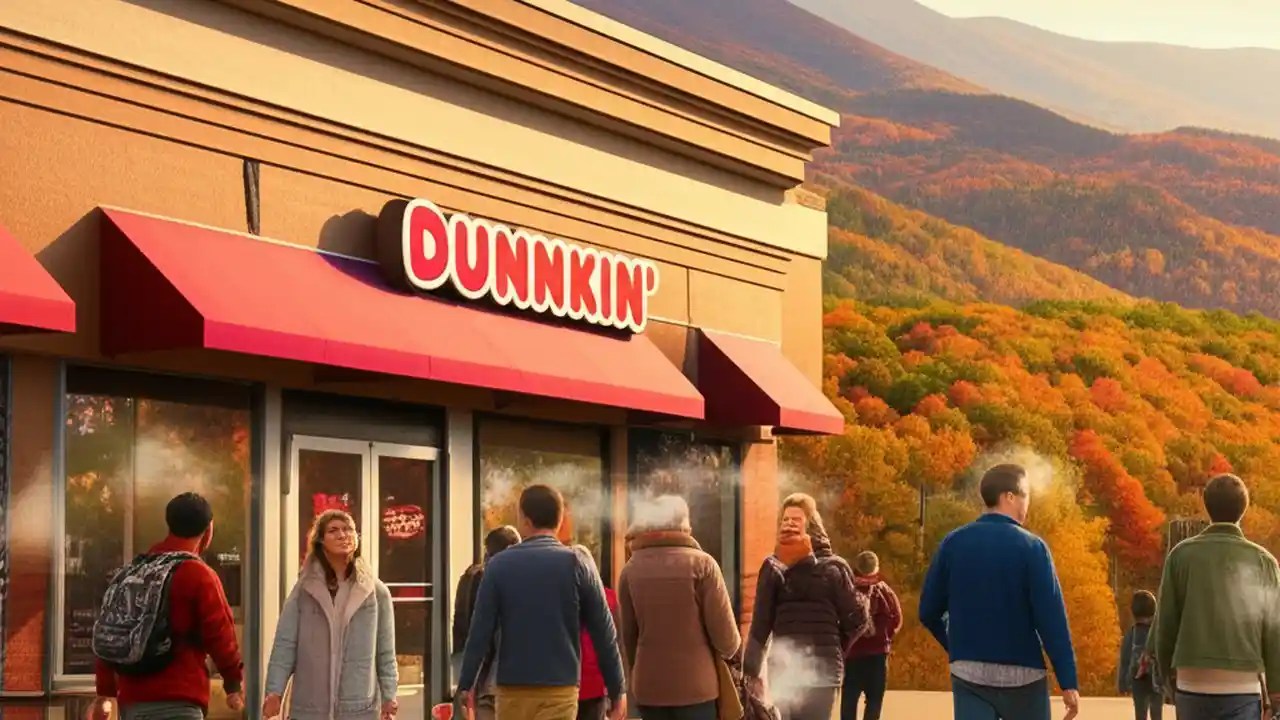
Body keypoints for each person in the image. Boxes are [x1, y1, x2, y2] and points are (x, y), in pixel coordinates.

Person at [919, 463, 1080, 720]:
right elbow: (1051, 620)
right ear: (1010, 496)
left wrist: (956, 646)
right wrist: (1068, 681)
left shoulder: (953, 543)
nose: (1028, 503)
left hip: (969, 673)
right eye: (1026, 495)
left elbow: (928, 611)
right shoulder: (1033, 548)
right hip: (1023, 676)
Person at [457, 484, 627, 720]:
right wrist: (617, 689)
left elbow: (480, 631)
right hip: (560, 688)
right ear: (558, 521)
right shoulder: (578, 564)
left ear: (524, 519)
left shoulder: (499, 566)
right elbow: (604, 632)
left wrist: (466, 685)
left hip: (511, 689)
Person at [89, 492, 245, 720]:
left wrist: (104, 693)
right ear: (208, 531)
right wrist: (233, 684)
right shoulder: (199, 575)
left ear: (169, 524)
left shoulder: (132, 572)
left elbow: (111, 631)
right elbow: (220, 633)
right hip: (178, 702)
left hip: (131, 703)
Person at [1152, 473, 1280, 720]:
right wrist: (1275, 692)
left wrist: (1166, 677)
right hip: (1243, 684)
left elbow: (1165, 624)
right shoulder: (1263, 561)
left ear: (1206, 505)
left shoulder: (1181, 556)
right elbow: (1274, 632)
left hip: (1191, 681)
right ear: (1244, 508)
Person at [744, 493, 870, 720]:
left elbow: (857, 619)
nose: (789, 523)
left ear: (811, 526)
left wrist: (836, 645)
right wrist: (749, 674)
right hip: (785, 671)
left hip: (822, 673)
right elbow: (760, 626)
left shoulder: (833, 568)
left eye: (796, 519)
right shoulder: (773, 568)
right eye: (785, 519)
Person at [263, 509, 398, 720]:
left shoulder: (376, 593)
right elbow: (284, 645)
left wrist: (390, 696)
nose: (343, 535)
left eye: (348, 530)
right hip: (309, 709)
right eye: (333, 530)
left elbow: (386, 653)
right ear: (320, 541)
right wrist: (274, 691)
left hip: (359, 708)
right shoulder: (303, 591)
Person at [617, 495, 742, 720]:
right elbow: (727, 641)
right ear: (684, 525)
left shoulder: (630, 570)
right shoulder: (703, 565)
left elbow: (628, 638)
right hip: (697, 690)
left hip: (649, 689)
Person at [452, 526, 522, 720]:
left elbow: (460, 623)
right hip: (493, 675)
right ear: (509, 549)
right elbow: (485, 632)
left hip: (469, 664)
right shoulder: (499, 579)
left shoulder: (469, 577)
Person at [842, 551, 902, 720]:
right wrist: (886, 639)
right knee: (874, 703)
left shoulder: (847, 591)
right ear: (876, 569)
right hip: (877, 656)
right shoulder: (885, 592)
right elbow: (897, 620)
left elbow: (838, 619)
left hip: (852, 656)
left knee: (849, 702)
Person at [572, 545, 622, 720]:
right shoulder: (609, 598)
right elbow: (613, 642)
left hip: (566, 683)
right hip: (596, 683)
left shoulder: (566, 597)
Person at [1119, 590, 1162, 720]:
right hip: (1156, 677)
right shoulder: (1157, 633)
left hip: (1137, 678)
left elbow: (1125, 658)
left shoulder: (1131, 633)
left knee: (1140, 713)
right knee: (1157, 711)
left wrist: (1122, 683)